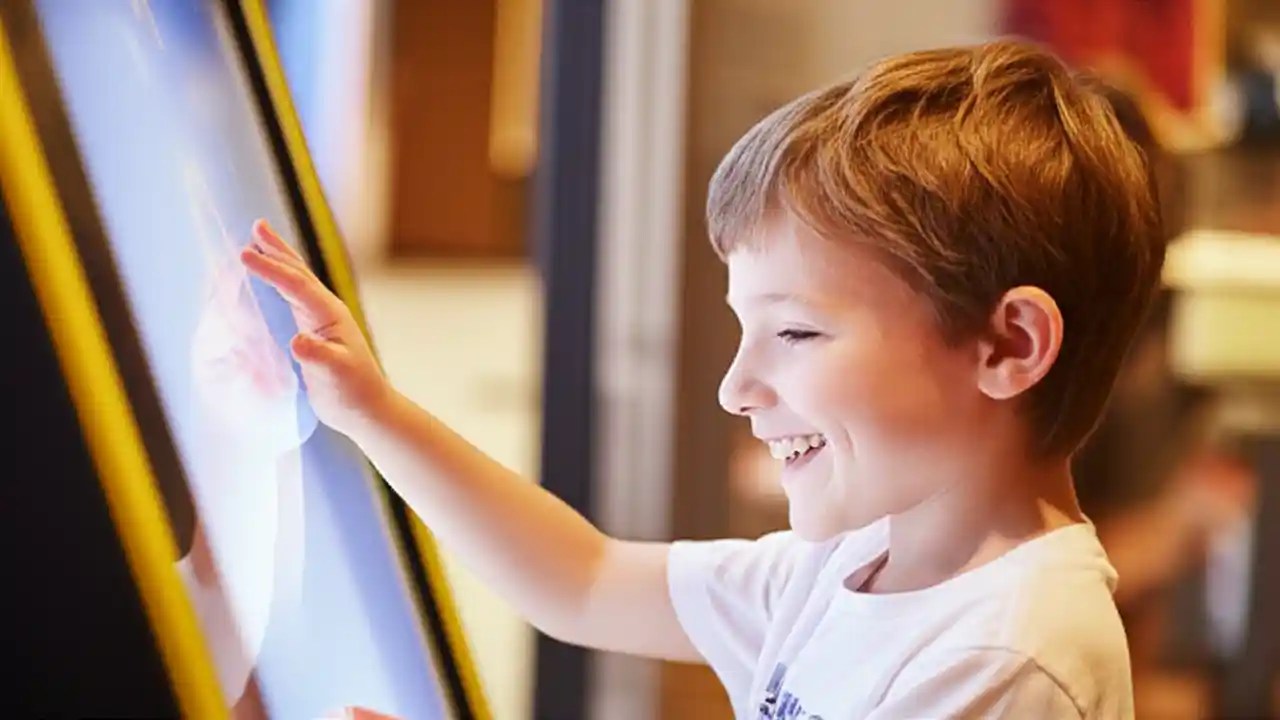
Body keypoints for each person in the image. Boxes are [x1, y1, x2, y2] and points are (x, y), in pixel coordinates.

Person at [240, 39, 1165, 718]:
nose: (737, 387)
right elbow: (585, 579)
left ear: (1008, 345)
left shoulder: (1008, 655)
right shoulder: (852, 565)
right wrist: (371, 410)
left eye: (795, 332)